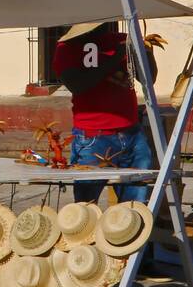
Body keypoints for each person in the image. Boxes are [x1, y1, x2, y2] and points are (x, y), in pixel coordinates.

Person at [51, 21, 158, 204]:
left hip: (131, 135)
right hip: (93, 139)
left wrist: (146, 53)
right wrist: (116, 58)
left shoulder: (123, 41)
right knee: (86, 208)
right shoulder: (66, 48)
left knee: (135, 205)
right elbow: (77, 85)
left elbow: (149, 78)